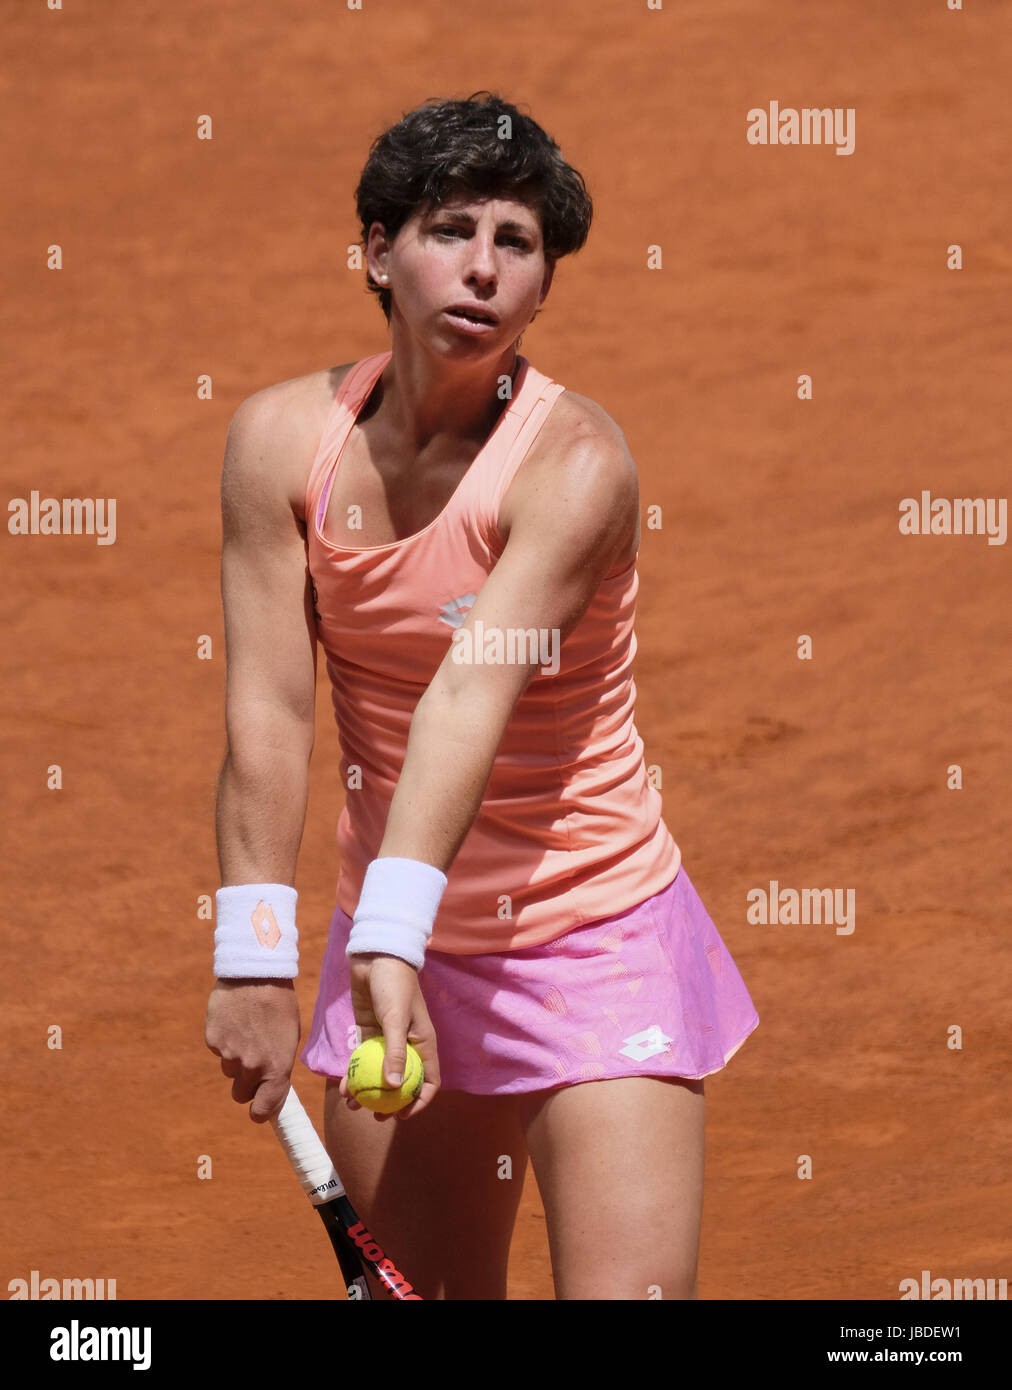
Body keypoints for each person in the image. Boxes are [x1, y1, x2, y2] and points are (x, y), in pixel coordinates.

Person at [205, 91, 758, 1301]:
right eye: (452, 229)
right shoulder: (277, 444)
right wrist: (251, 955)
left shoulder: (577, 466)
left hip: (593, 934)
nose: (483, 268)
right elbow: (269, 714)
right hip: (397, 946)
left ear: (545, 285)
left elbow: (470, 693)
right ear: (377, 251)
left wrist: (390, 930)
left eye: (518, 245)